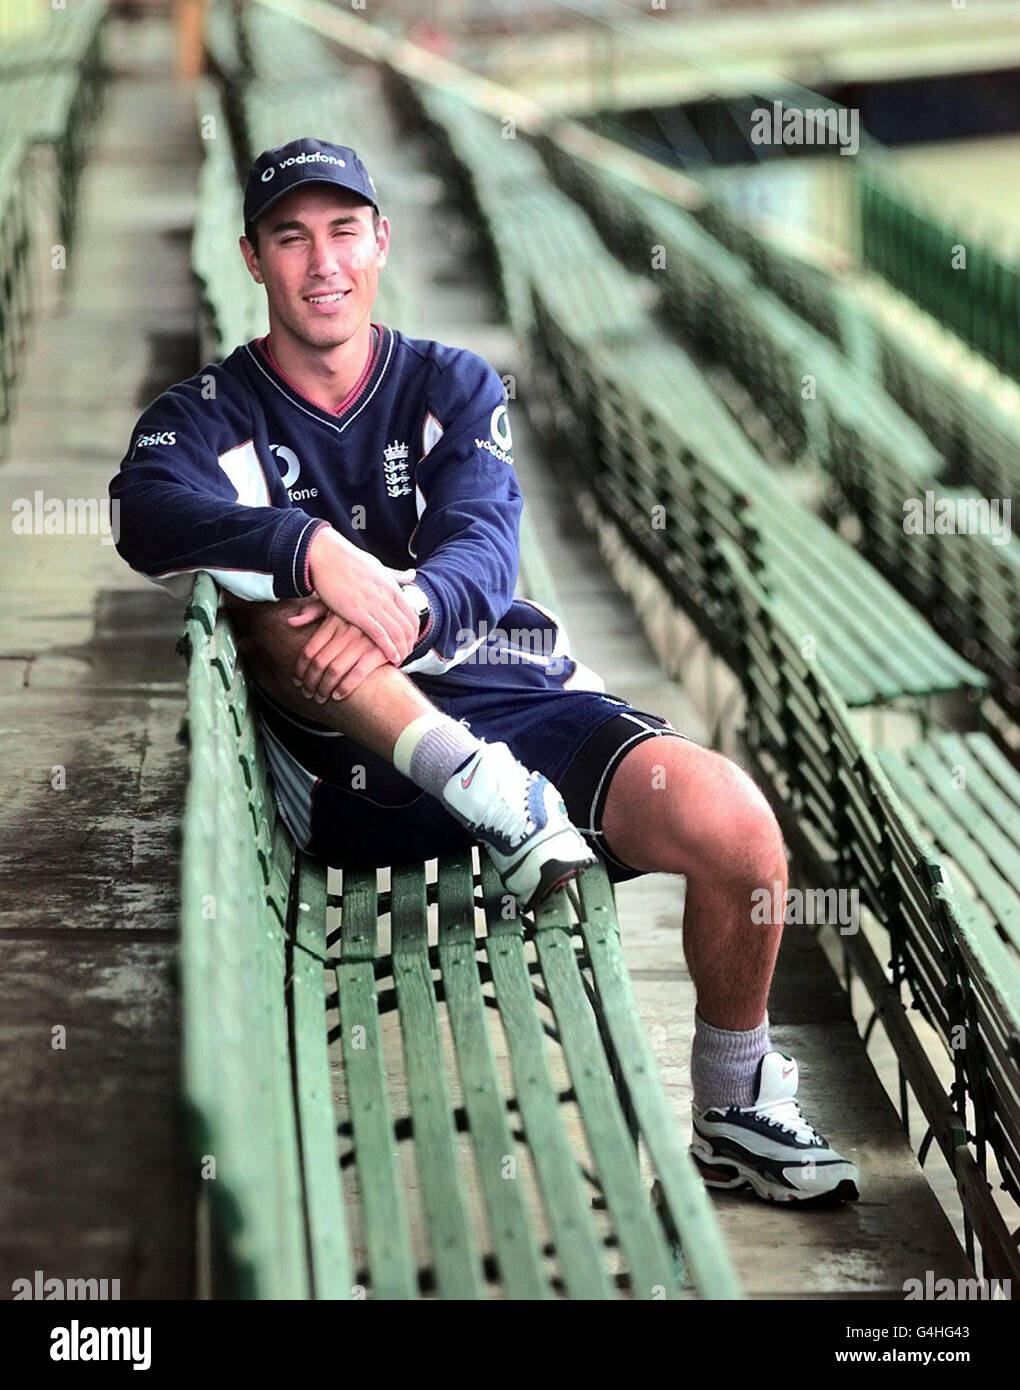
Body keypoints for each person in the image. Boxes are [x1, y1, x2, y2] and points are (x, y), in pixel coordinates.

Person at [109, 136, 860, 1206]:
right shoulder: (212, 416)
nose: (321, 262)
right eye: (290, 237)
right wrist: (310, 549)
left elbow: (484, 548)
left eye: (341, 232)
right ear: (252, 257)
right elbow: (142, 511)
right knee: (274, 600)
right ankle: (477, 785)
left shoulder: (448, 383)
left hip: (522, 707)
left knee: (740, 830)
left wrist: (407, 605)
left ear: (381, 242)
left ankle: (735, 1105)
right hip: (363, 777)